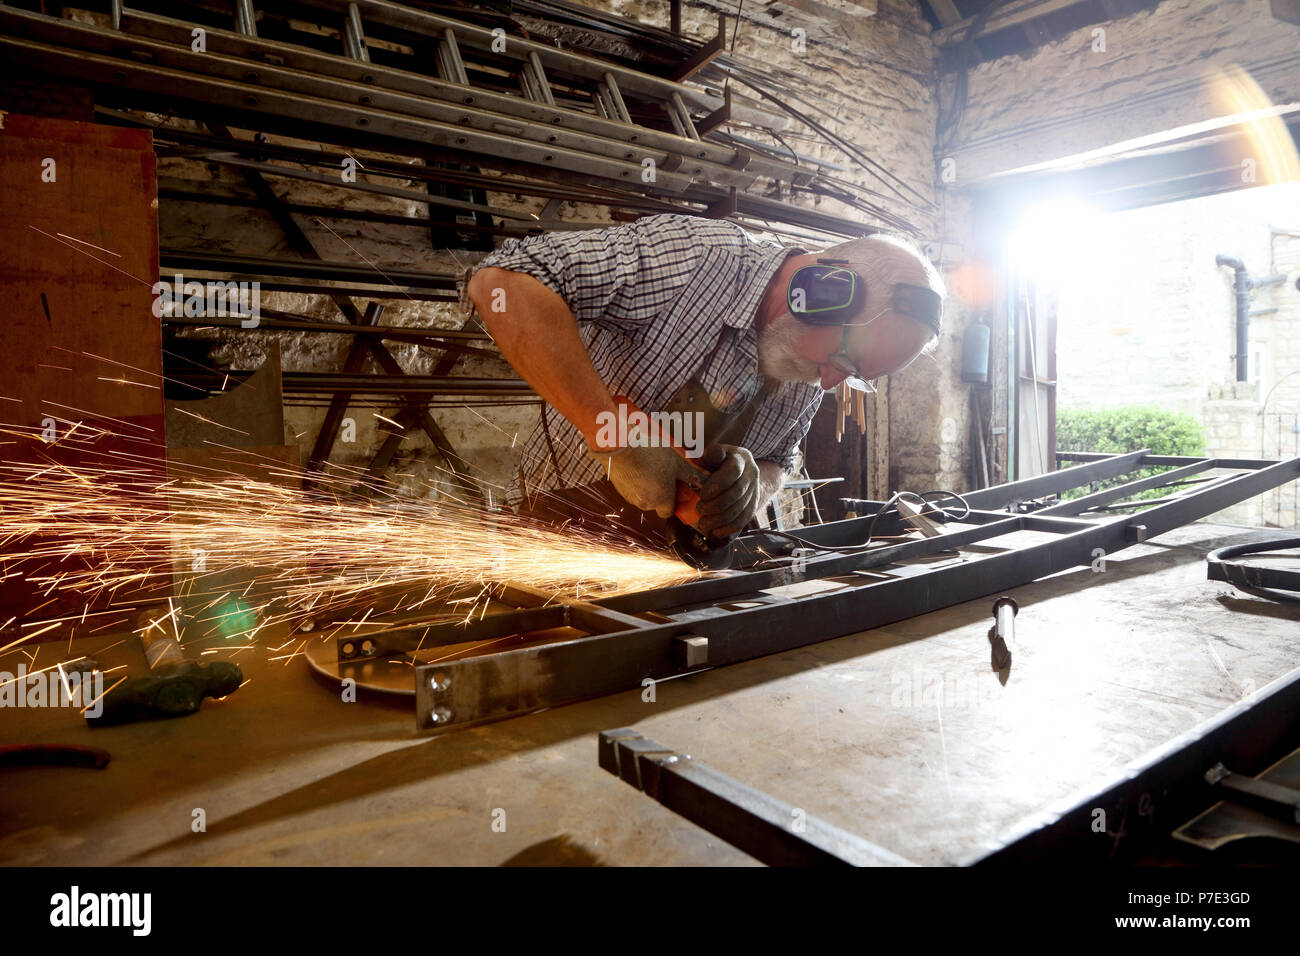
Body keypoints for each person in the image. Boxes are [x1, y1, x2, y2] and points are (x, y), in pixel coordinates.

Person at [465, 213, 943, 548]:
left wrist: (756, 489)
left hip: (676, 565)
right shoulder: (693, 257)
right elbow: (499, 285)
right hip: (553, 530)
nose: (830, 382)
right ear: (819, 293)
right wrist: (609, 431)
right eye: (844, 359)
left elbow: (781, 457)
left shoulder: (812, 368)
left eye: (853, 378)